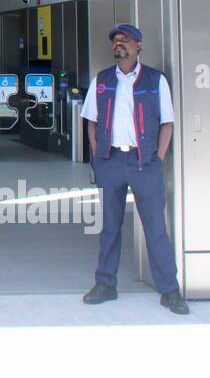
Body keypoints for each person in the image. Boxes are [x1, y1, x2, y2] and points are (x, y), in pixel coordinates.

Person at [80, 24, 189, 315]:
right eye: (116, 40)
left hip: (145, 163)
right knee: (110, 229)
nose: (119, 44)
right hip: (112, 161)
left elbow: (167, 122)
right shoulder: (102, 80)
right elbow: (91, 119)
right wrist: (98, 155)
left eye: (125, 40)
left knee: (156, 229)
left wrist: (159, 157)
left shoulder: (155, 80)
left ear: (138, 46)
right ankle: (105, 284)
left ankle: (169, 290)